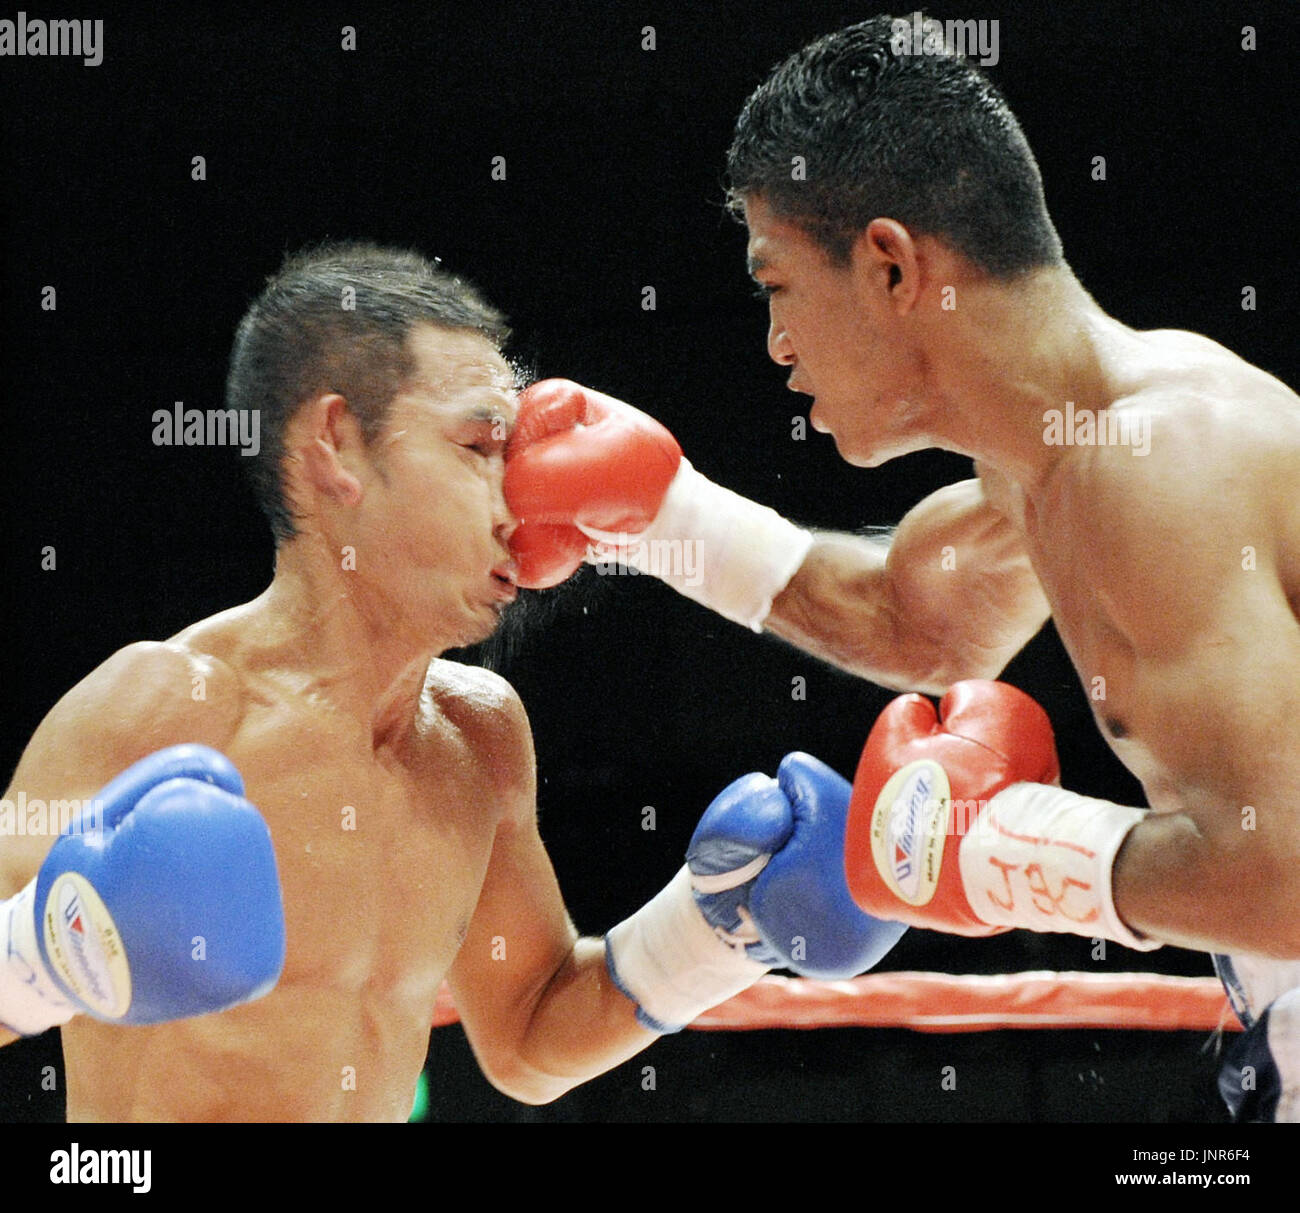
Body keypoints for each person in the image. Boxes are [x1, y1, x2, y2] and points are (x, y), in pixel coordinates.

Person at [499, 17, 1300, 1122]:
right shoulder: (1052, 468)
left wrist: (1006, 852)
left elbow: (1283, 878)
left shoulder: (1159, 464)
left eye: (775, 285)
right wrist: (657, 516)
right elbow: (912, 626)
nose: (774, 342)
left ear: (888, 263)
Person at [0, 242, 904, 1121]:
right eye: (479, 447)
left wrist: (719, 930)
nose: (524, 503)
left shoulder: (479, 738)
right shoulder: (161, 710)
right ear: (336, 449)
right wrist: (42, 957)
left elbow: (529, 1035)